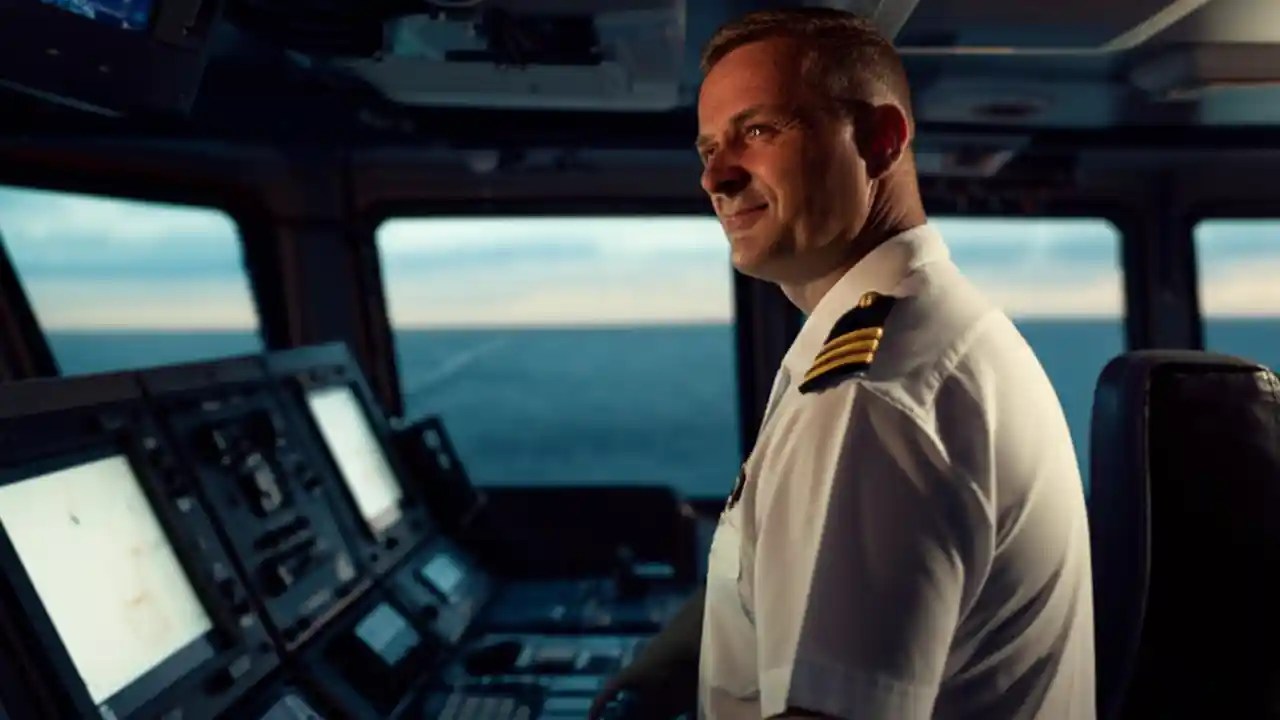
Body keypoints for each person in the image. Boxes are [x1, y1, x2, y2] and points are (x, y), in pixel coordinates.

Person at [590, 7, 1095, 720]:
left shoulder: (873, 396)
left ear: (881, 139)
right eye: (707, 149)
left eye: (759, 131)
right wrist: (654, 678)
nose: (717, 178)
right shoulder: (921, 332)